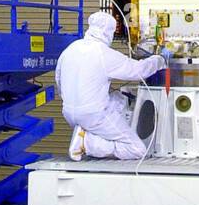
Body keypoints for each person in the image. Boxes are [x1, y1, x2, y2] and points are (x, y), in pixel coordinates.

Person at [55, 10, 165, 161]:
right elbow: (137, 70)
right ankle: (87, 142)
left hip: (69, 113)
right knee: (136, 149)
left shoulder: (70, 49)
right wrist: (159, 60)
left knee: (118, 97)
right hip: (93, 115)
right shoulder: (102, 53)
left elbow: (59, 81)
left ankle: (84, 135)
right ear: (108, 31)